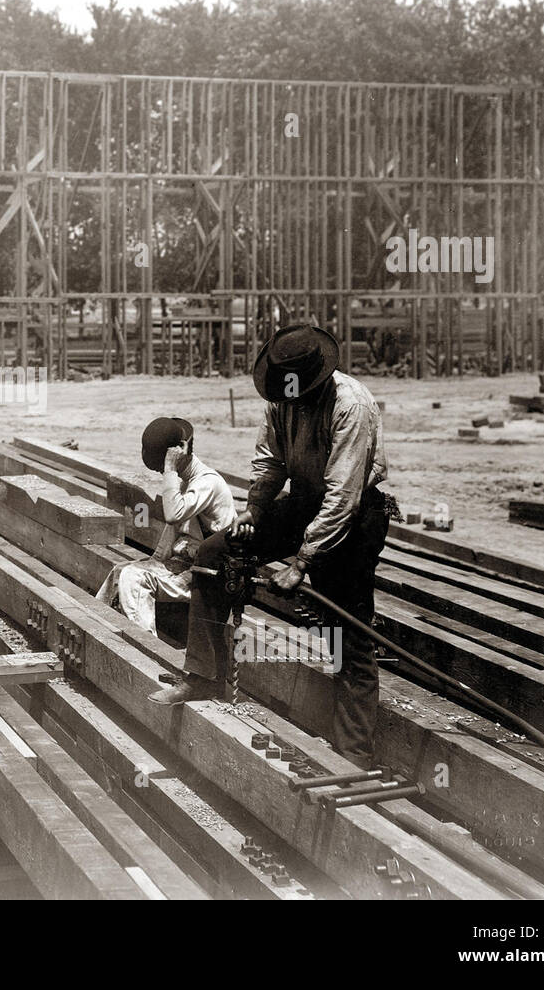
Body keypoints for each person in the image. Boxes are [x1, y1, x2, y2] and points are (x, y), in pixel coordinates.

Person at [150, 325, 393, 770]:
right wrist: (256, 510)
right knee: (213, 555)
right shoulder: (282, 397)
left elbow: (342, 496)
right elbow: (270, 461)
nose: (289, 403)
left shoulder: (351, 405)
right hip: (302, 501)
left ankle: (354, 755)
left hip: (354, 516)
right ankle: (202, 676)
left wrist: (302, 561)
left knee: (347, 628)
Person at [95, 417, 236, 634]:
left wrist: (170, 468)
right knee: (120, 571)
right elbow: (172, 533)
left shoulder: (207, 482)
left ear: (181, 450)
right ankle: (100, 630)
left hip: (210, 575)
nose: (163, 473)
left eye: (162, 467)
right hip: (188, 565)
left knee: (135, 579)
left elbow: (173, 515)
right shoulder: (185, 481)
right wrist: (155, 563)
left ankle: (143, 647)